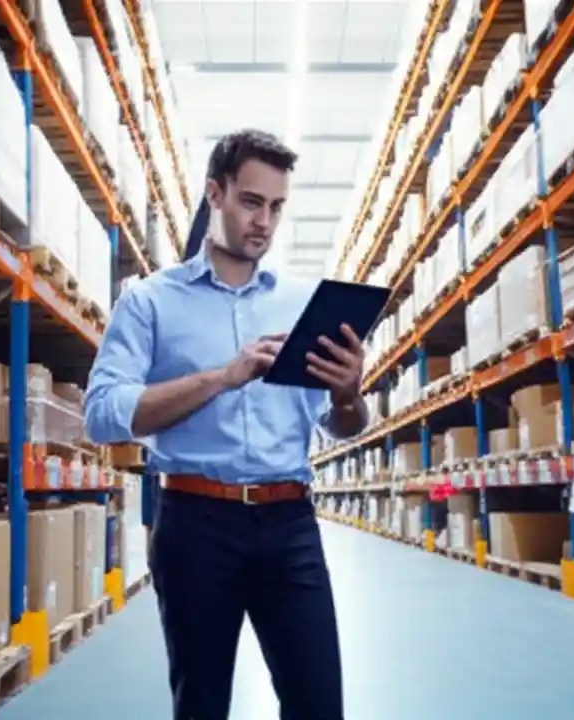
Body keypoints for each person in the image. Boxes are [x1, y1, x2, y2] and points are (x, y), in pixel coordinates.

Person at [83, 128, 369, 720]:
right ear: (215, 194)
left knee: (319, 703)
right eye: (250, 201)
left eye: (276, 207)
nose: (263, 221)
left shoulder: (303, 303)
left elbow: (342, 427)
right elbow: (103, 414)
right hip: (195, 524)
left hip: (289, 522)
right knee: (202, 704)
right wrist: (223, 376)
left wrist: (348, 394)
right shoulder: (150, 302)